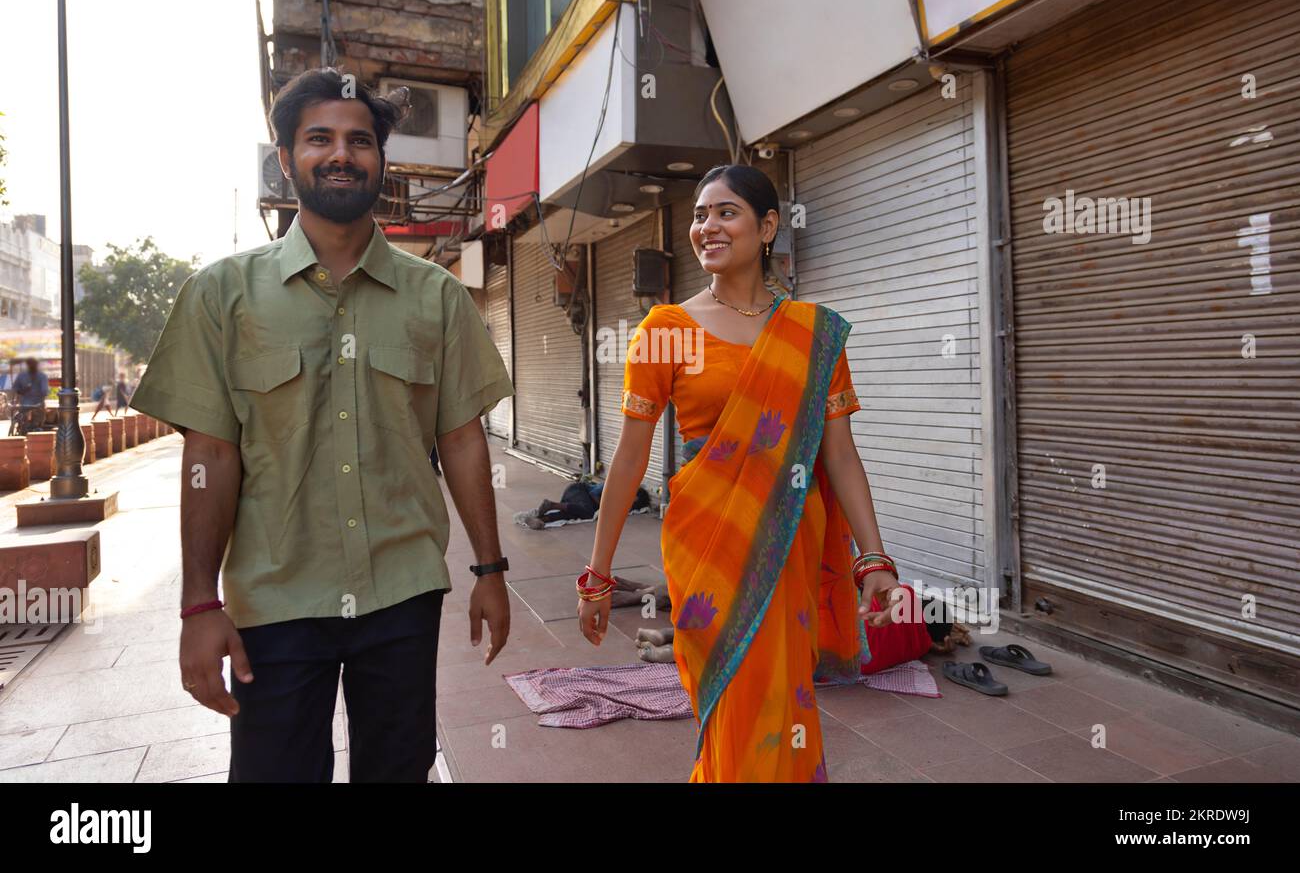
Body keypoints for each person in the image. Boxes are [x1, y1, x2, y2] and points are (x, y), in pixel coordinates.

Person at [131, 68, 515, 783]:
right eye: (320, 139)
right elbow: (209, 454)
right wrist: (197, 604)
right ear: (286, 159)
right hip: (275, 596)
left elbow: (461, 439)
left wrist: (490, 570)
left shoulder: (435, 296)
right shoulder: (223, 295)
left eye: (359, 141)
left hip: (401, 591)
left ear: (381, 162)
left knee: (399, 769)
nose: (342, 153)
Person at [578, 164, 904, 783]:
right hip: (708, 547)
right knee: (730, 697)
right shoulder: (665, 330)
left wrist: (875, 560)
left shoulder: (812, 334)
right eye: (700, 215)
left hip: (789, 541)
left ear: (768, 226)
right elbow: (628, 457)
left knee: (784, 697)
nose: (707, 227)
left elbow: (840, 455)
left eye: (726, 212)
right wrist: (598, 572)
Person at [12, 358, 50, 432]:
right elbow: (45, 391)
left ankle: (25, 427)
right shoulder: (41, 376)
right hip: (35, 404)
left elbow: (15, 388)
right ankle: (33, 426)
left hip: (28, 403)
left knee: (27, 417)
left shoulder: (40, 376)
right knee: (37, 419)